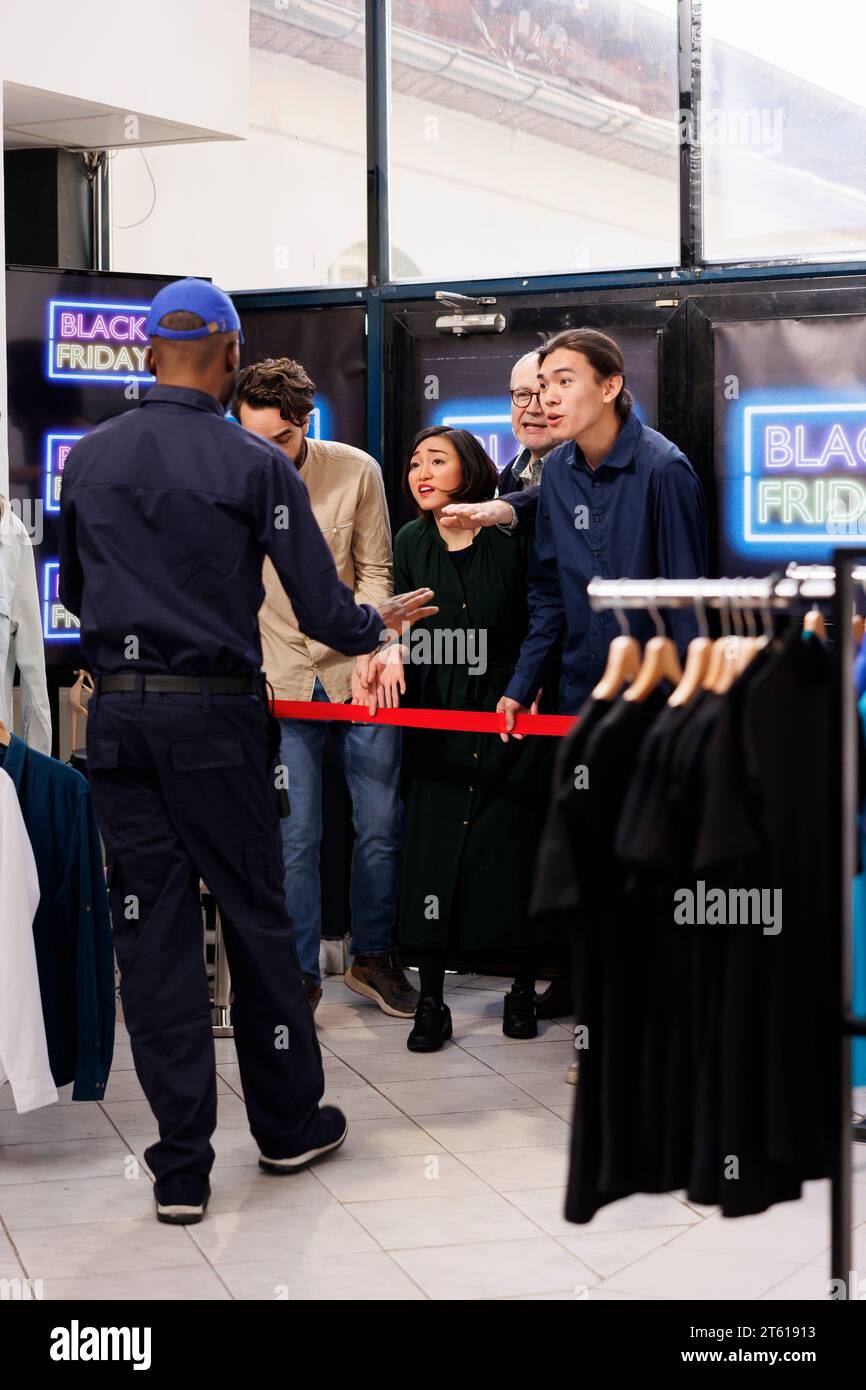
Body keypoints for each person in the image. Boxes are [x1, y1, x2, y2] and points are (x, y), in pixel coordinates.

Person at [58, 277, 435, 1225]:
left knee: (151, 937)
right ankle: (285, 1126)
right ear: (231, 357)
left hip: (120, 722)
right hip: (218, 722)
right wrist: (373, 620)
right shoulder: (255, 466)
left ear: (145, 354)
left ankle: (180, 1166)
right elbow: (322, 609)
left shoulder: (89, 462)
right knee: (259, 922)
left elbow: (78, 591)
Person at [360, 427, 556, 1049]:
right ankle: (433, 1003)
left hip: (510, 703)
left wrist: (529, 683)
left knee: (514, 847)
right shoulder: (412, 540)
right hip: (437, 706)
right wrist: (390, 648)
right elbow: (402, 619)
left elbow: (541, 615)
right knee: (432, 853)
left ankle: (522, 989)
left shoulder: (512, 533)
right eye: (414, 461)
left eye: (436, 461)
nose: (420, 471)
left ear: (469, 470)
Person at [233, 357, 416, 1018]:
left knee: (379, 827)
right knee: (295, 834)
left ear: (305, 425)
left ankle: (374, 957)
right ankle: (298, 974)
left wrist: (381, 647)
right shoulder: (227, 477)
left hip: (358, 670)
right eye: (252, 439)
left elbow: (376, 570)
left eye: (279, 440)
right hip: (275, 676)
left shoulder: (355, 469)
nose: (266, 455)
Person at [439, 348, 571, 1020]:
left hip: (570, 680)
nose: (529, 407)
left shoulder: (577, 470)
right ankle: (544, 969)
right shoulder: (515, 470)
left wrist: (539, 675)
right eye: (518, 395)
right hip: (517, 681)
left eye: (543, 391)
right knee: (534, 833)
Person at [497, 327, 707, 732]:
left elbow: (686, 600)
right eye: (543, 385)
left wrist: (690, 713)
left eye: (564, 381)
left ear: (610, 387)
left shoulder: (664, 469)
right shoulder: (557, 472)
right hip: (578, 695)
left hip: (655, 702)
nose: (548, 399)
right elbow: (550, 592)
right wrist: (523, 684)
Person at [439, 348, 555, 537]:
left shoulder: (586, 465)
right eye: (523, 394)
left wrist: (505, 509)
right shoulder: (509, 476)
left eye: (544, 395)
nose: (533, 409)